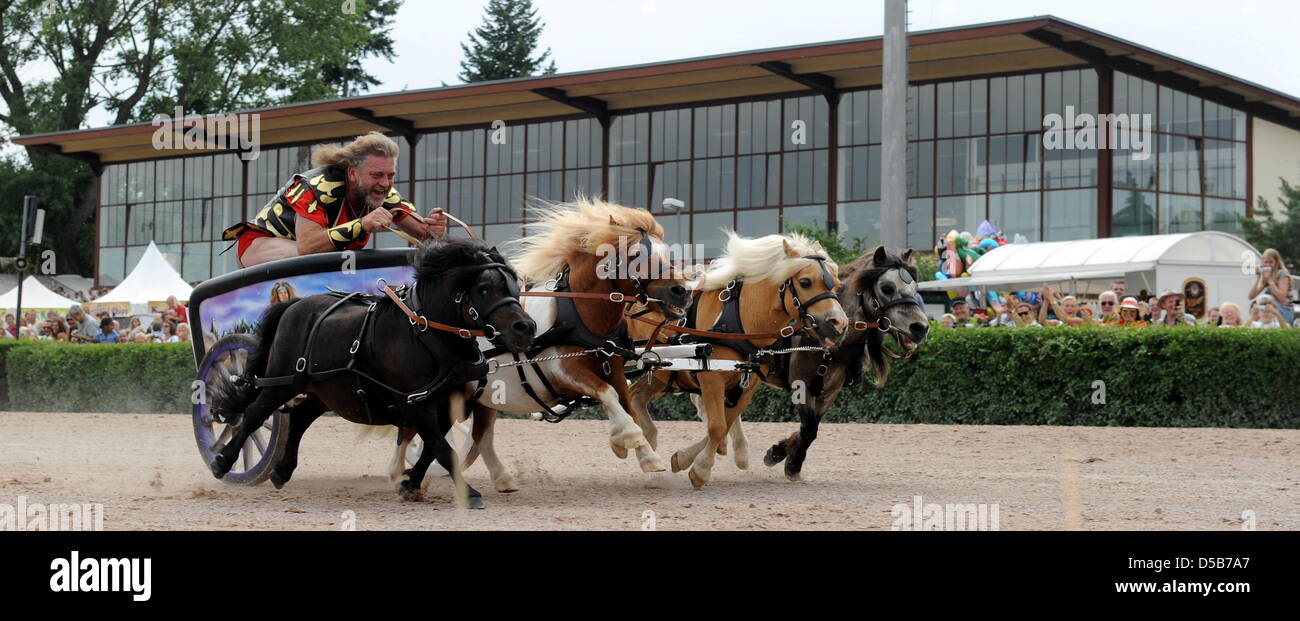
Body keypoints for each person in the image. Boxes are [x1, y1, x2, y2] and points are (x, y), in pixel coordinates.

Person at [222, 132, 449, 267]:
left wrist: (434, 229)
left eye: (390, 176)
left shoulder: (385, 193)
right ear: (352, 173)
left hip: (314, 253)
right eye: (377, 175)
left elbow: (424, 235)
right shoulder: (316, 187)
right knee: (325, 256)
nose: (385, 183)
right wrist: (362, 224)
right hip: (259, 246)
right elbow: (309, 246)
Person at [1248, 249, 1293, 326]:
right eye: (1265, 262)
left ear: (1276, 263)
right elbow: (1251, 296)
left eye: (1270, 262)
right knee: (1255, 309)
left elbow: (1282, 298)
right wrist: (1259, 277)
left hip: (1284, 310)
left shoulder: (1282, 273)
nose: (1268, 265)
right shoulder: (1266, 275)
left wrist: (1269, 280)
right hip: (1270, 310)